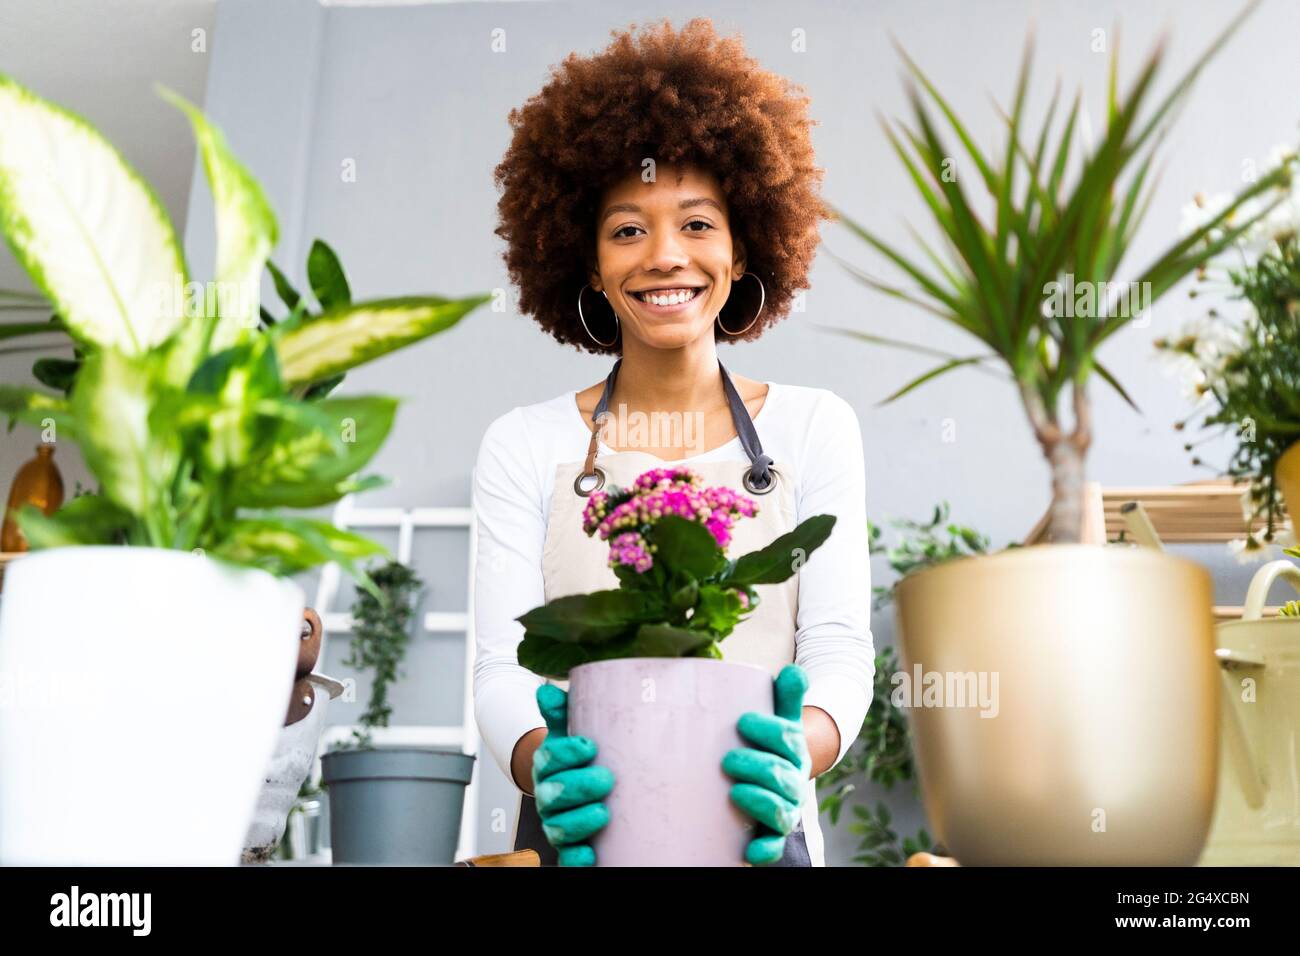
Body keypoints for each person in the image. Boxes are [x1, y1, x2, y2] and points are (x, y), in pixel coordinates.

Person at [473, 18, 873, 866]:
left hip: (753, 827)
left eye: (697, 225)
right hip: (577, 832)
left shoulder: (813, 428)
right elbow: (502, 671)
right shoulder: (523, 444)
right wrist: (544, 764)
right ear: (585, 262)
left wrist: (796, 752)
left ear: (741, 247)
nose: (664, 257)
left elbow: (838, 652)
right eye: (626, 230)